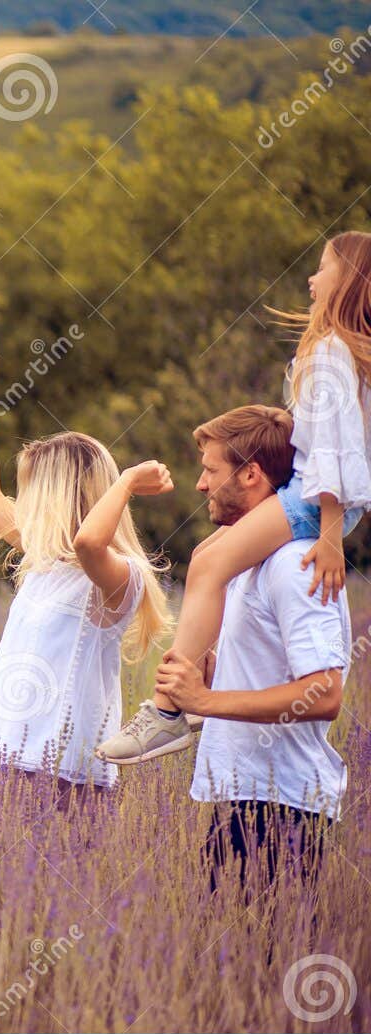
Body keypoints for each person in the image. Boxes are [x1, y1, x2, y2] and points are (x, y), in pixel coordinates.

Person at [101, 232, 371, 763]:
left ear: (348, 282)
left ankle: (167, 713)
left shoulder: (329, 352)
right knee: (206, 557)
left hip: (316, 499)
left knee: (209, 565)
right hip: (316, 495)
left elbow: (336, 449)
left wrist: (332, 535)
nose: (312, 280)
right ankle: (196, 692)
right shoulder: (338, 352)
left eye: (323, 269)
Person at [0, 330, 172, 790]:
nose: (24, 499)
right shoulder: (45, 558)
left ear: (57, 495)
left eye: (33, 488)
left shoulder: (115, 574)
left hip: (68, 774)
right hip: (17, 759)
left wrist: (128, 480)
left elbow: (89, 543)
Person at [151, 406, 349, 893]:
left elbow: (324, 693)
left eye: (210, 470)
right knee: (228, 961)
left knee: (262, 956)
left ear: (252, 474)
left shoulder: (293, 565)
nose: (200, 484)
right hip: (244, 795)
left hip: (281, 809)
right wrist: (216, 675)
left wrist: (204, 703)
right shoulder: (243, 563)